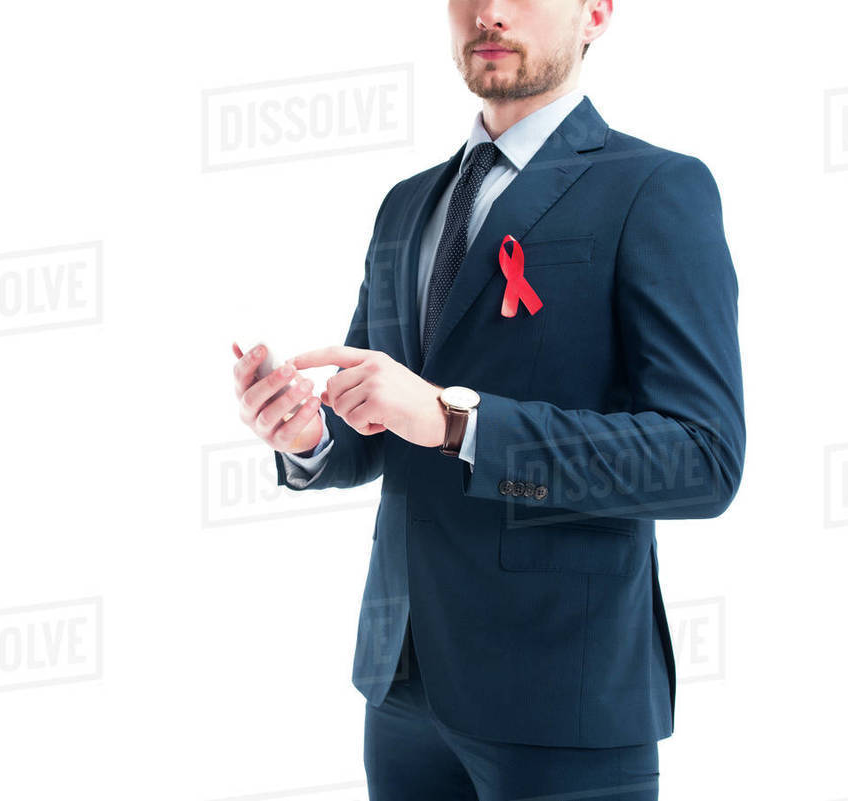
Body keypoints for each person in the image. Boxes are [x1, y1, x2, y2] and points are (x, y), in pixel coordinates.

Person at [231, 1, 744, 797]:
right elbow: (375, 429)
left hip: (562, 699)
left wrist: (454, 420)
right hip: (402, 686)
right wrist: (308, 434)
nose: (491, 12)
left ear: (596, 14)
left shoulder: (656, 189)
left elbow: (702, 458)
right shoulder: (407, 205)